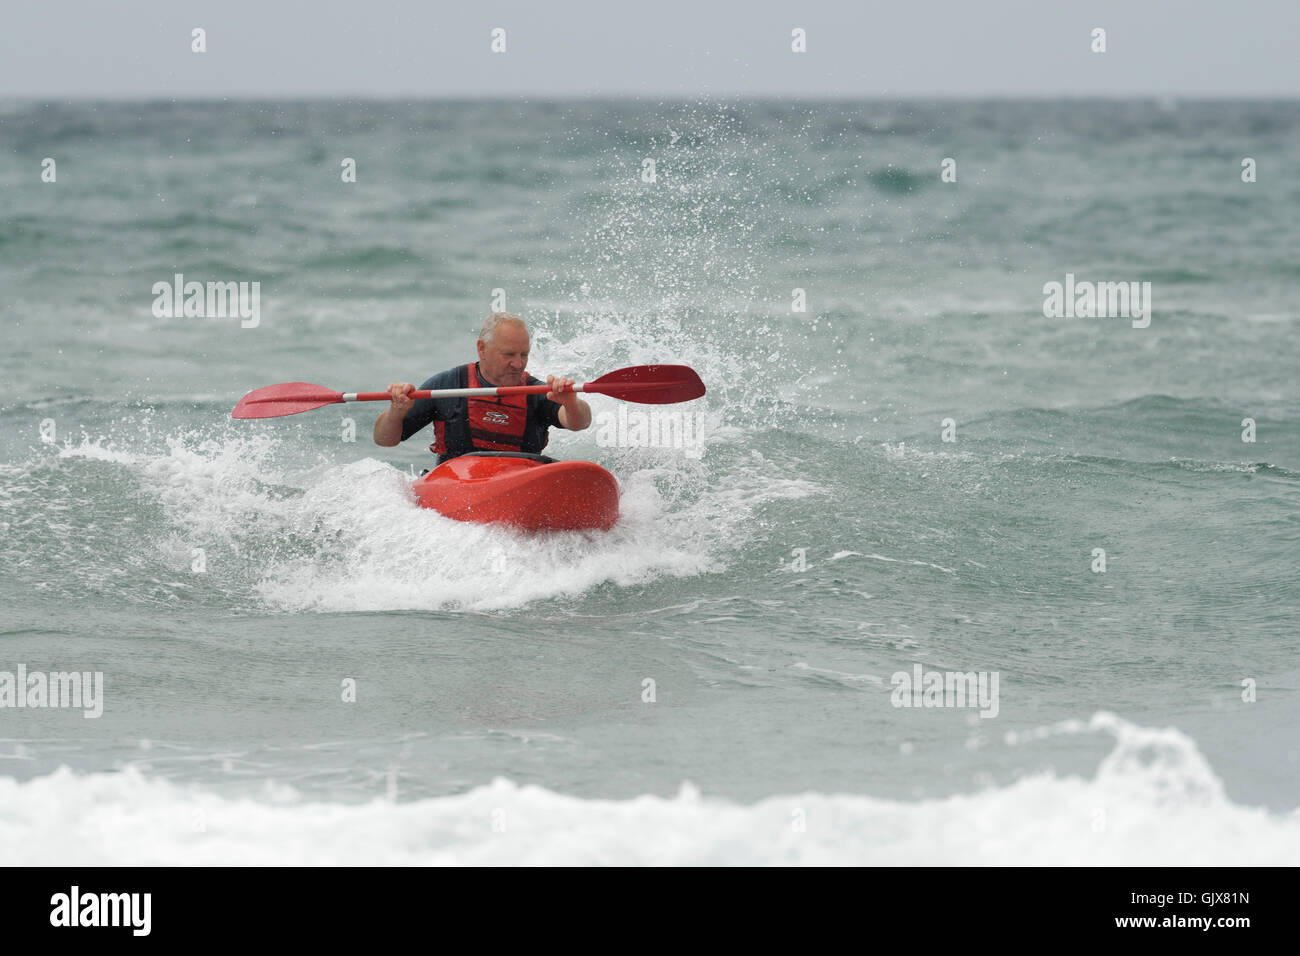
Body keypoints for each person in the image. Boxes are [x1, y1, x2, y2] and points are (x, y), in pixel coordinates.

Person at [373, 312, 591, 462]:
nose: (518, 363)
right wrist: (396, 412)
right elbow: (385, 440)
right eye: (508, 355)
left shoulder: (535, 392)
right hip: (457, 485)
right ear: (482, 349)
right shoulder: (448, 386)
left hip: (519, 482)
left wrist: (571, 402)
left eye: (524, 355)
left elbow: (579, 422)